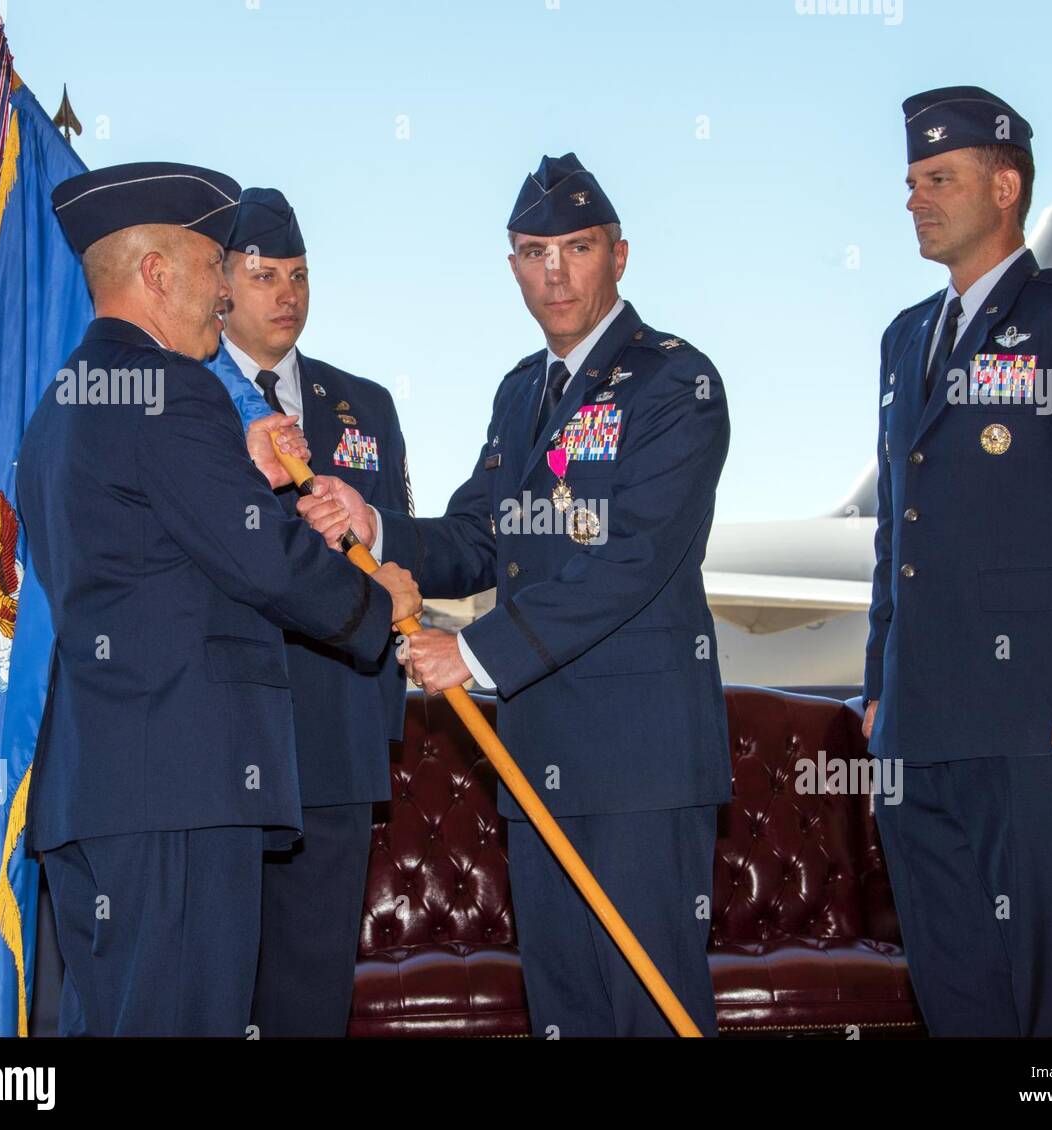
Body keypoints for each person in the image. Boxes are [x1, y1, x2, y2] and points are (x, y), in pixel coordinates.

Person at [301, 153, 730, 1036]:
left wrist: (472, 651)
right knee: (566, 1010)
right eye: (535, 251)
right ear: (513, 268)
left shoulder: (674, 381)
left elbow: (630, 560)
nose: (556, 272)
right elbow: (479, 539)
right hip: (536, 758)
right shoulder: (518, 395)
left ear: (619, 254)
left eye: (577, 247)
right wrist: (372, 523)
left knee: (648, 1007)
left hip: (640, 766)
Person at [16, 161, 420, 1036]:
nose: (222, 298)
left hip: (100, 793)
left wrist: (241, 468)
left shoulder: (61, 405)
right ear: (157, 273)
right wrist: (379, 600)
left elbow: (149, 550)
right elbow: (264, 562)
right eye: (212, 269)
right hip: (183, 798)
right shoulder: (173, 389)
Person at [862, 89, 1052, 1036]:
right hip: (917, 721)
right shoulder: (905, 337)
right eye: (911, 182)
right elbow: (896, 538)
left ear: (1005, 185)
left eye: (938, 180)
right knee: (953, 979)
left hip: (1036, 713)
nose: (916, 199)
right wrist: (879, 684)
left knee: (1044, 982)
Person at [205, 187, 412, 1035]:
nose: (286, 294)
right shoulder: (188, 399)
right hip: (219, 736)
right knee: (215, 988)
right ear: (221, 284)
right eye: (263, 276)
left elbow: (394, 559)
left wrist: (382, 722)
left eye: (298, 275)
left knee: (312, 993)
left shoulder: (363, 405)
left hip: (335, 732)